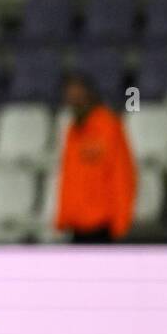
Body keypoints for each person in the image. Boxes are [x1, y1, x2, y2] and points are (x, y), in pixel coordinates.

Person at [53, 72, 136, 243]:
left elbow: (123, 176)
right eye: (70, 98)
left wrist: (121, 222)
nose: (74, 102)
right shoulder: (73, 131)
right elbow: (69, 177)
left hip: (103, 226)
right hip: (76, 224)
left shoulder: (108, 126)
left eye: (78, 96)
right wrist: (63, 216)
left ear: (89, 95)